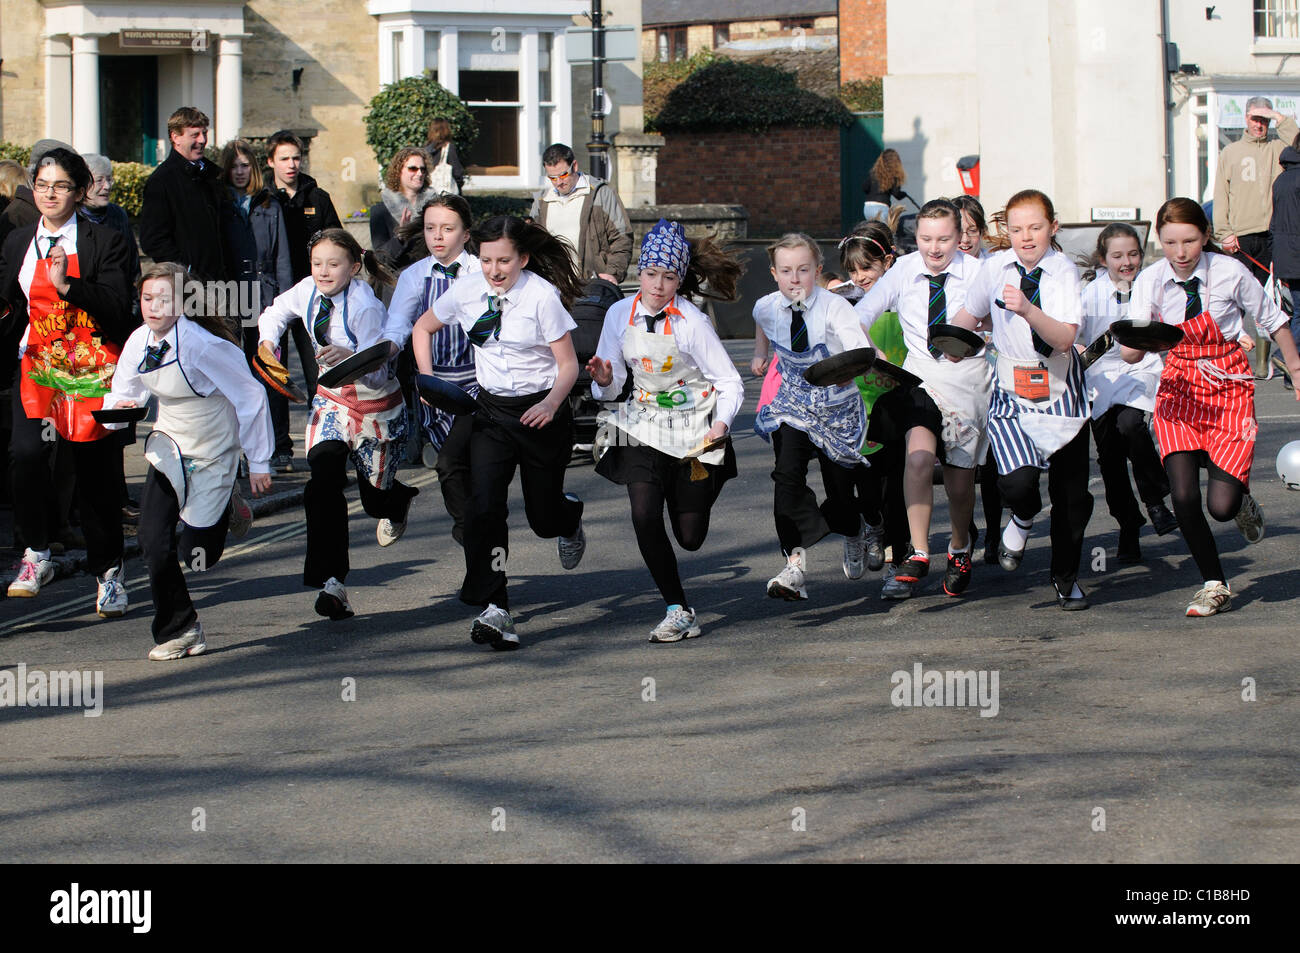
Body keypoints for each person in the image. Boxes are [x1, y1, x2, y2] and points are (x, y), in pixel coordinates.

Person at [411, 215, 586, 650]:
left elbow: (568, 365)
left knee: (543, 519)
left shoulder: (541, 297)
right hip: (491, 412)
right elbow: (423, 328)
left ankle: (569, 517)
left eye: (504, 260)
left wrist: (550, 403)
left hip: (541, 413)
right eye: (487, 260)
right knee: (485, 507)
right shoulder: (468, 291)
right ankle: (497, 607)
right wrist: (430, 381)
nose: (494, 270)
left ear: (522, 258)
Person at [1123, 197, 1300, 617]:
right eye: (1170, 242)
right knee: (1183, 494)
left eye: (1189, 241)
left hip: (1226, 387)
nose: (1180, 253)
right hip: (1179, 386)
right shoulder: (1150, 280)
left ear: (1205, 236)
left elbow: (1273, 320)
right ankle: (1213, 584)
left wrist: (1295, 367)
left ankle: (1240, 500)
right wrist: (1132, 348)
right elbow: (1133, 344)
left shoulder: (1229, 272)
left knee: (1220, 507)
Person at [102, 263, 273, 660]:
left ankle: (227, 501)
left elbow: (250, 397)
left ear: (183, 303)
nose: (154, 307)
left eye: (165, 299)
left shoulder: (203, 345)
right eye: (147, 298)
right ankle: (181, 629)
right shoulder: (137, 341)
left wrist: (260, 461)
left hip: (214, 450)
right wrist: (120, 408)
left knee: (198, 556)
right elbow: (124, 391)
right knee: (151, 540)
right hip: (169, 446)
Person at [585, 219, 743, 642]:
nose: (657, 284)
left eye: (668, 276)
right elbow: (615, 384)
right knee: (642, 513)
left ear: (679, 279)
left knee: (690, 538)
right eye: (651, 273)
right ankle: (678, 608)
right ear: (640, 271)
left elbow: (730, 382)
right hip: (643, 422)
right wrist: (603, 378)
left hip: (694, 428)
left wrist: (722, 424)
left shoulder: (692, 322)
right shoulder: (620, 313)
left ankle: (699, 487)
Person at [0, 147, 136, 612]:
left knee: (94, 471)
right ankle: (36, 552)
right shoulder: (18, 241)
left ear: (79, 192)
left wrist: (67, 287)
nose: (49, 194)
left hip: (90, 369)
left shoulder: (107, 242)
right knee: (26, 453)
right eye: (41, 184)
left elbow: (119, 306)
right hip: (37, 366)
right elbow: (8, 303)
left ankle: (109, 572)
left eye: (60, 186)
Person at [258, 228, 419, 620]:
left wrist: (355, 356)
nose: (324, 272)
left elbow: (382, 374)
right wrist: (268, 343)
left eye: (334, 264)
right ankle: (332, 582)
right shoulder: (308, 291)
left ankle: (397, 502)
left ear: (353, 266)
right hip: (331, 402)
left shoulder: (365, 306)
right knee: (323, 477)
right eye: (317, 264)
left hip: (374, 406)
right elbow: (276, 311)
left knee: (373, 499)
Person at [952, 189, 1093, 610]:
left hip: (1061, 387)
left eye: (1035, 227)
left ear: (1053, 227)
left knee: (1070, 497)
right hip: (1013, 387)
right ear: (1005, 231)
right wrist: (943, 342)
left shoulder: (1062, 271)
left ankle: (1067, 580)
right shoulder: (994, 268)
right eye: (1016, 229)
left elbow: (1065, 338)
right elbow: (967, 317)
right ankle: (1025, 514)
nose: (1025, 237)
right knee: (1016, 482)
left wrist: (1028, 310)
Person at [856, 199, 994, 600]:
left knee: (960, 483)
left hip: (967, 381)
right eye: (926, 238)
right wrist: (875, 356)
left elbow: (1001, 321)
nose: (934, 248)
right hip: (920, 378)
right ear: (915, 237)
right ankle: (918, 551)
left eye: (944, 239)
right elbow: (860, 315)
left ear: (960, 237)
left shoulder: (978, 273)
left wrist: (983, 331)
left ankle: (959, 546)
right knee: (917, 459)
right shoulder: (903, 270)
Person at [751, 232, 873, 602]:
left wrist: (849, 367)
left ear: (817, 271)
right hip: (794, 403)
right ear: (774, 273)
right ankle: (794, 565)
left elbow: (859, 350)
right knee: (786, 477)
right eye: (786, 271)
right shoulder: (765, 307)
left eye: (803, 270)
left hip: (837, 406)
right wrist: (759, 357)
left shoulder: (835, 308)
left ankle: (853, 532)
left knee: (840, 494)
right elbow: (764, 334)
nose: (795, 279)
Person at [1077, 223, 1178, 564]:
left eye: (1133, 253)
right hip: (1102, 376)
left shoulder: (1152, 285)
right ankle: (1129, 524)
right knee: (1110, 459)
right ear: (1103, 259)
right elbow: (1076, 331)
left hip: (1142, 369)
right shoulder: (1091, 294)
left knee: (1132, 424)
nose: (1126, 262)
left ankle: (1155, 499)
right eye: (1117, 255)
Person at [387, 194, 480, 541]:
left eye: (447, 228)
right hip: (434, 387)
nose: (437, 236)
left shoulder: (481, 271)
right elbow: (398, 324)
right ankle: (472, 530)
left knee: (457, 464)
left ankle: (468, 530)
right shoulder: (414, 276)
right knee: (452, 468)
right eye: (429, 228)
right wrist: (388, 349)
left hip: (477, 383)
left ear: (466, 234)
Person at [265, 129, 342, 468]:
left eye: (296, 157)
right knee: (274, 375)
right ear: (271, 162)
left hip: (313, 295)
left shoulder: (318, 197)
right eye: (284, 158)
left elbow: (338, 238)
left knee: (318, 372)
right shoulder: (263, 199)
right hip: (274, 295)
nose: (292, 164)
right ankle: (280, 447)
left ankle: (324, 445)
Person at [837, 220, 909, 579]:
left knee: (895, 485)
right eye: (853, 269)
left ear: (888, 262)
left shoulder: (908, 296)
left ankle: (900, 560)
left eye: (867, 267)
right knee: (867, 488)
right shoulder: (846, 303)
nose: (860, 276)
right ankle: (873, 525)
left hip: (898, 402)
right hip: (859, 406)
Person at [219, 139, 295, 467]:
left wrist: (285, 302)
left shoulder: (268, 205)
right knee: (235, 373)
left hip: (266, 295)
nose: (240, 171)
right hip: (232, 294)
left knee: (271, 371)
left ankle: (279, 446)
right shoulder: (220, 203)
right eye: (234, 165)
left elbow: (282, 258)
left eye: (245, 165)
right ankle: (238, 450)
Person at [953, 194, 1002, 563]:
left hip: (995, 372)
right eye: (960, 231)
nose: (966, 239)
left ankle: (994, 530)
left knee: (993, 460)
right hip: (957, 376)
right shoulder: (942, 272)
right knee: (963, 459)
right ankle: (965, 525)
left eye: (972, 231)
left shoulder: (996, 268)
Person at [139, 107, 232, 283]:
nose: (202, 140)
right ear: (176, 137)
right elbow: (153, 240)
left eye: (204, 133)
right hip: (191, 287)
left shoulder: (215, 174)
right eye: (195, 135)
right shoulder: (162, 181)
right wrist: (185, 274)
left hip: (225, 282)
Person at [1214, 97, 1298, 287]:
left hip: (1272, 234)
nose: (1259, 125)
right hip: (1241, 236)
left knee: (1270, 297)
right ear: (1246, 118)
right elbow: (1221, 194)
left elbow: (1297, 142)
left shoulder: (1278, 148)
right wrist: (1224, 232)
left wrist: (1278, 117)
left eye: (1264, 120)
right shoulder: (1230, 152)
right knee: (1237, 293)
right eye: (1255, 119)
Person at [529, 143, 633, 283]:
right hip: (554, 286)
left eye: (563, 175)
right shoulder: (542, 201)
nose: (559, 182)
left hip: (591, 285)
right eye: (552, 178)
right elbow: (533, 245)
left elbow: (621, 238)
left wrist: (612, 273)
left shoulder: (601, 194)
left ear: (575, 166)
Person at [1269, 131, 1300, 388]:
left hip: (1284, 254)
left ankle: (1292, 373)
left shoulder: (1281, 179)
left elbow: (1275, 220)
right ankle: (1284, 356)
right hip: (1297, 253)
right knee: (1299, 314)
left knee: (1295, 313)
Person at [369, 147, 436, 251]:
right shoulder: (380, 211)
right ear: (399, 171)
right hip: (401, 267)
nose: (419, 173)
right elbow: (381, 256)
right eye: (413, 168)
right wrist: (400, 237)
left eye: (423, 169)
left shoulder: (436, 205)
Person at [862, 148, 907, 222]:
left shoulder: (874, 174)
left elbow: (864, 187)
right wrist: (904, 194)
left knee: (873, 231)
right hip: (881, 208)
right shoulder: (894, 176)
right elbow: (897, 194)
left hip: (868, 208)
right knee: (885, 232)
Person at [423, 118, 465, 194]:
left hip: (428, 193)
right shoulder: (448, 148)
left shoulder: (425, 149)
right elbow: (457, 172)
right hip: (445, 195)